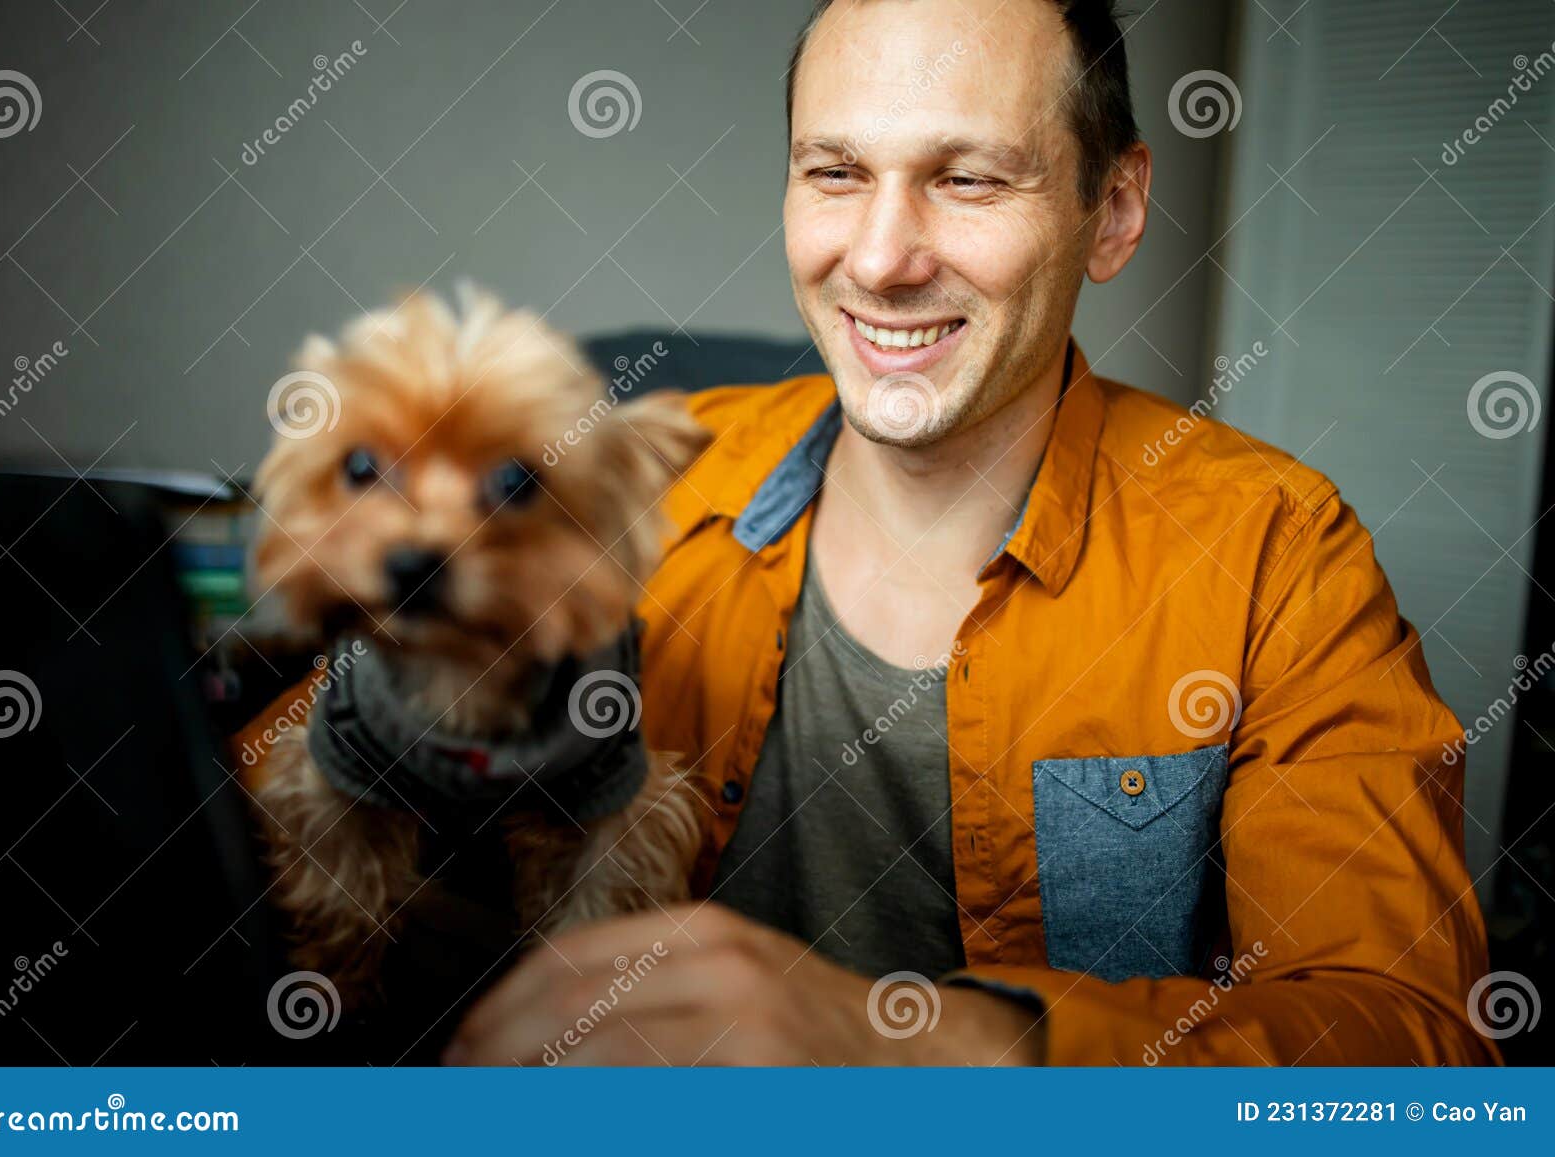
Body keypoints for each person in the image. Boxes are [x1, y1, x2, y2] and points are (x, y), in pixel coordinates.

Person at [443, 0, 1499, 1065]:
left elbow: (1415, 1054)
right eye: (835, 172)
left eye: (968, 179)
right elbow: (366, 808)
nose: (879, 260)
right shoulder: (636, 479)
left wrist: (922, 1050)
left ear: (1114, 210)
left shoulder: (1280, 554)